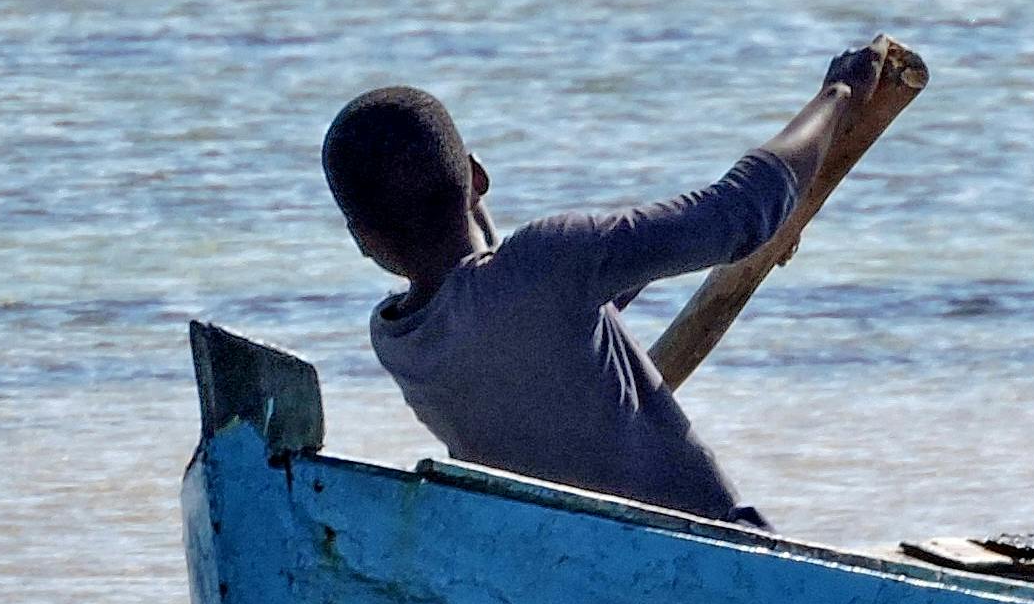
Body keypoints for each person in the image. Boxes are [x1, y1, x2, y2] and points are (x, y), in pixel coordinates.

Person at [322, 42, 915, 527]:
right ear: (477, 174)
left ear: (361, 238)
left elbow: (538, 311)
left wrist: (764, 233)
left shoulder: (398, 340)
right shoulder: (548, 265)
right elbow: (735, 215)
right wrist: (837, 94)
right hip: (717, 547)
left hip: (581, 572)